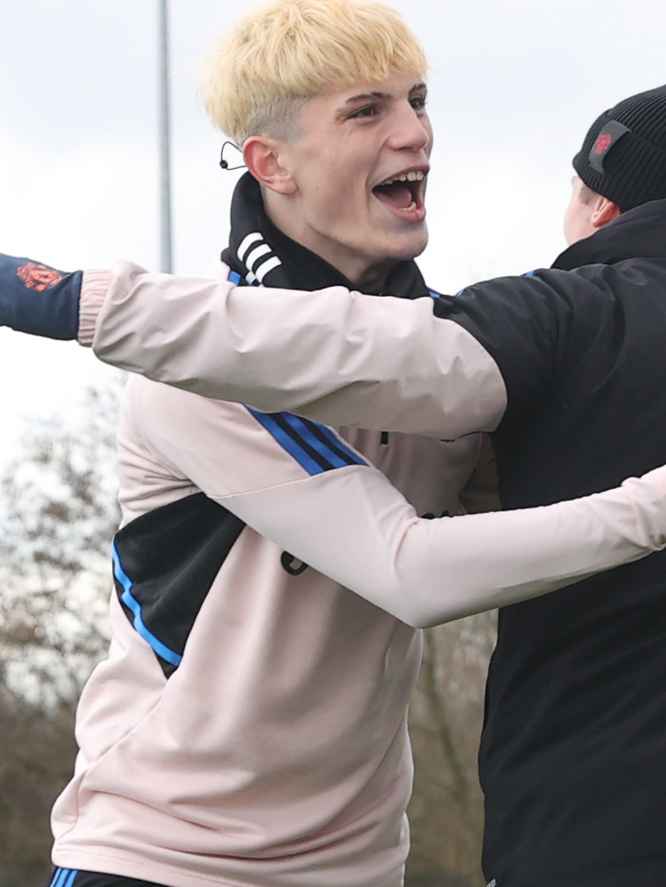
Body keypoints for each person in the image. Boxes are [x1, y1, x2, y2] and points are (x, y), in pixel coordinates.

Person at [2, 17, 666, 887]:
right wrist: (651, 507)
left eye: (418, 100)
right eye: (365, 111)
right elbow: (410, 569)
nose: (413, 131)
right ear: (270, 163)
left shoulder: (447, 357)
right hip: (164, 858)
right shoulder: (202, 372)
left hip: (358, 865)